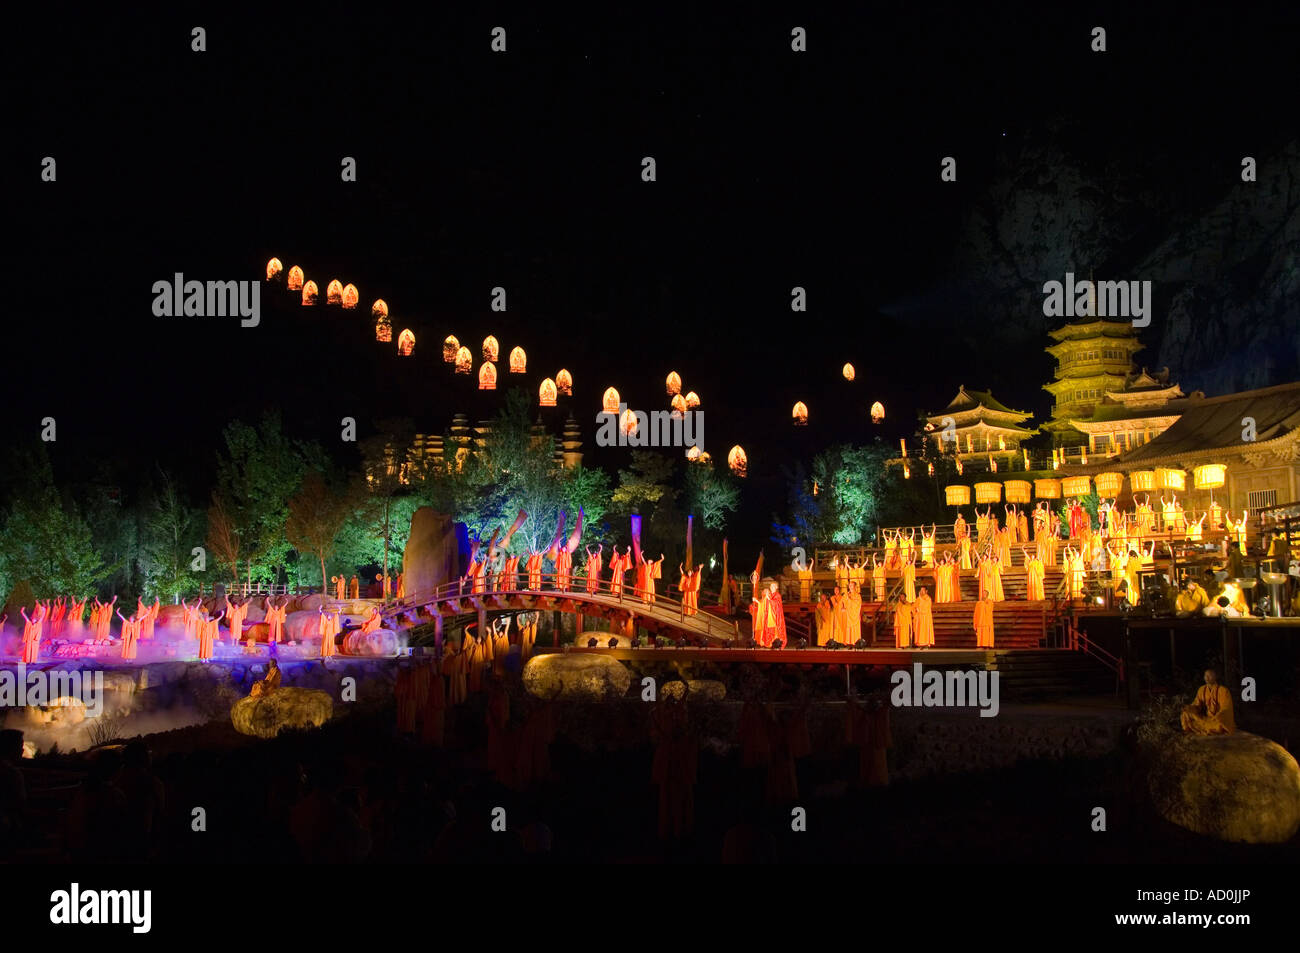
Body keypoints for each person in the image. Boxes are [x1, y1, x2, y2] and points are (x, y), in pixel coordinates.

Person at [1180, 669, 1235, 734]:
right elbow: (1197, 705)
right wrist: (1189, 708)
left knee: (1219, 723)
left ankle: (1206, 727)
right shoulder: (1201, 689)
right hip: (1205, 718)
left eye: (1210, 675)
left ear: (1215, 677)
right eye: (1205, 675)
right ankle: (1205, 727)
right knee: (1185, 713)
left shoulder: (1223, 690)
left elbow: (1226, 707)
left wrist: (1218, 715)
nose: (1207, 677)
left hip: (1216, 719)